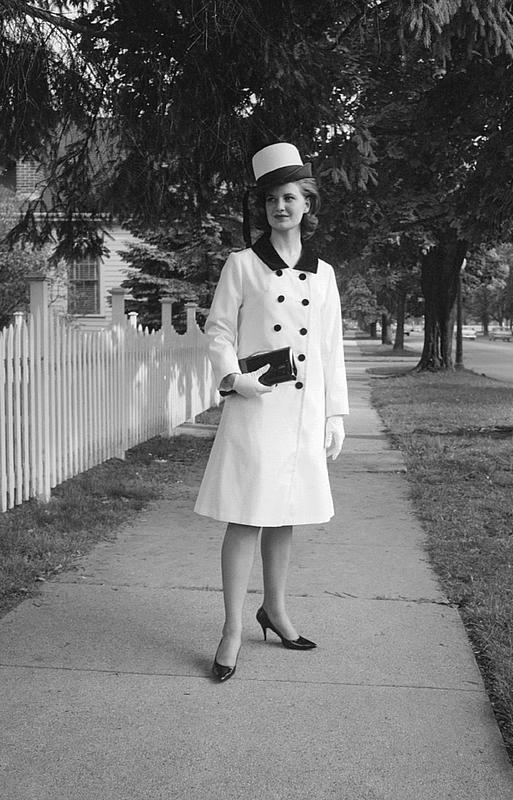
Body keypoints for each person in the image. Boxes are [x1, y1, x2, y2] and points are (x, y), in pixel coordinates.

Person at [194, 142, 349, 682]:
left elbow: (330, 347)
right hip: (256, 406)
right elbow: (218, 331)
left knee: (287, 513)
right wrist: (234, 378)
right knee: (246, 515)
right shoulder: (242, 265)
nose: (279, 207)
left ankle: (275, 611)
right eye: (270, 199)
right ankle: (232, 629)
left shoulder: (324, 274)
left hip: (303, 410)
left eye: (289, 197)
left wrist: (335, 415)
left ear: (307, 204)